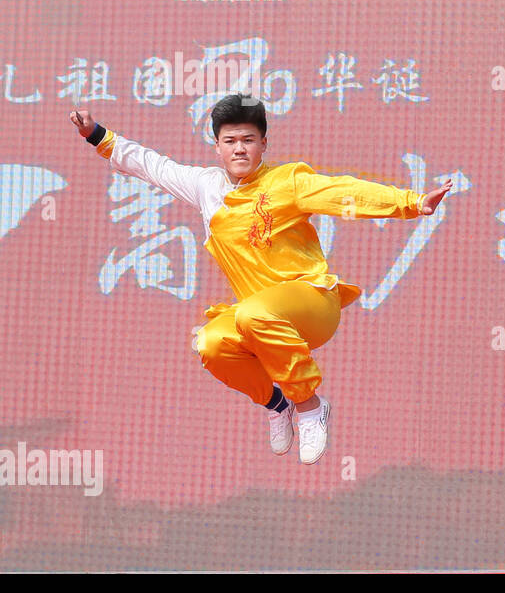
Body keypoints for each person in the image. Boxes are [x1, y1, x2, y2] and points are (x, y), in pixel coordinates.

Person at [71, 94, 454, 464]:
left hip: (312, 305)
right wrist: (97, 135)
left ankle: (309, 407)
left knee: (251, 314)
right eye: (230, 141)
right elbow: (153, 166)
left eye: (249, 140)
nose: (240, 149)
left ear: (263, 144)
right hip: (259, 321)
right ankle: (277, 403)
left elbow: (343, 191)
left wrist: (411, 203)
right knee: (211, 343)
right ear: (217, 147)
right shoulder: (208, 188)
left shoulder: (286, 182)